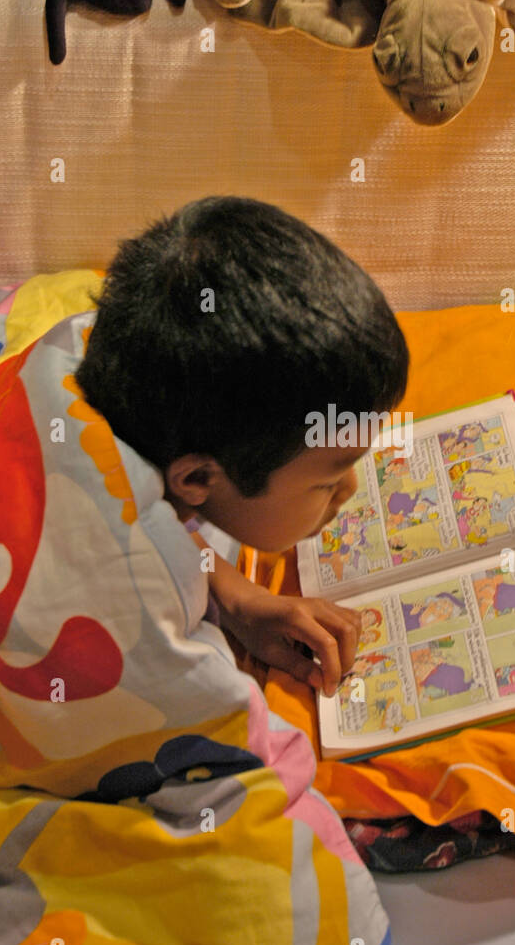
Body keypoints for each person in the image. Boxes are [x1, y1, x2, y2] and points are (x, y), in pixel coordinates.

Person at [75, 195, 410, 698]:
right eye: (326, 481)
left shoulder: (120, 348)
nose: (349, 492)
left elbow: (165, 521)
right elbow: (212, 758)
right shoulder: (130, 603)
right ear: (198, 479)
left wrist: (238, 598)